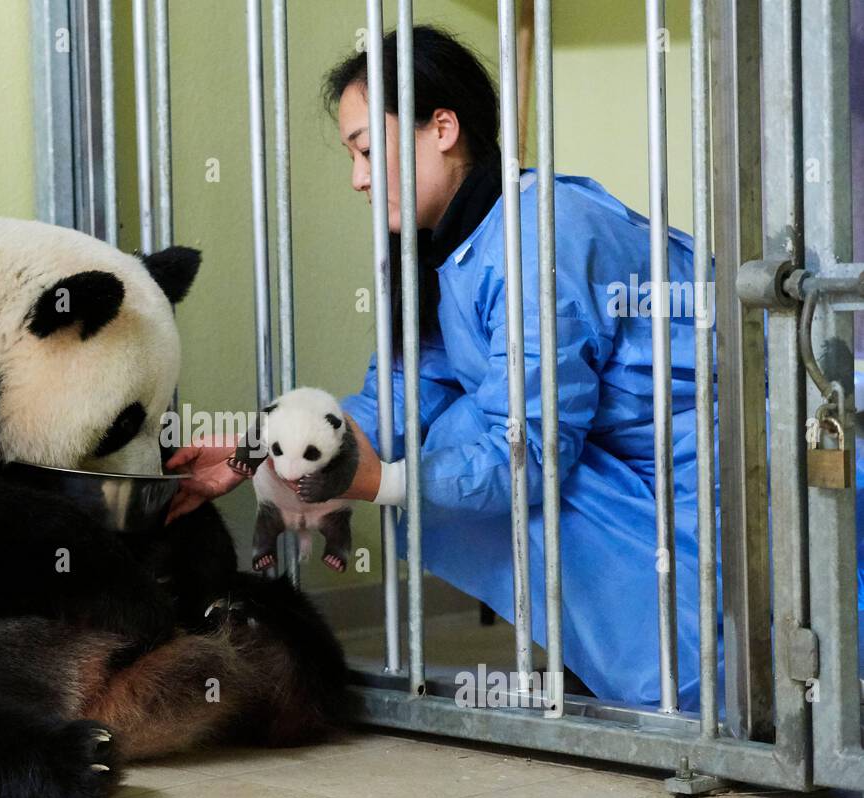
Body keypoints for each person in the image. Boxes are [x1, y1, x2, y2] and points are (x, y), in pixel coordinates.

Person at [166, 25, 738, 711]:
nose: (358, 180)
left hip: (723, 496)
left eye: (369, 150)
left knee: (465, 458)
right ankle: (647, 661)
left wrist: (377, 478)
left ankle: (705, 683)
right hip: (638, 481)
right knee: (437, 440)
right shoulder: (456, 248)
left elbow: (527, 451)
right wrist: (253, 450)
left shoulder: (541, 235)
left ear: (443, 128)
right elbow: (400, 396)